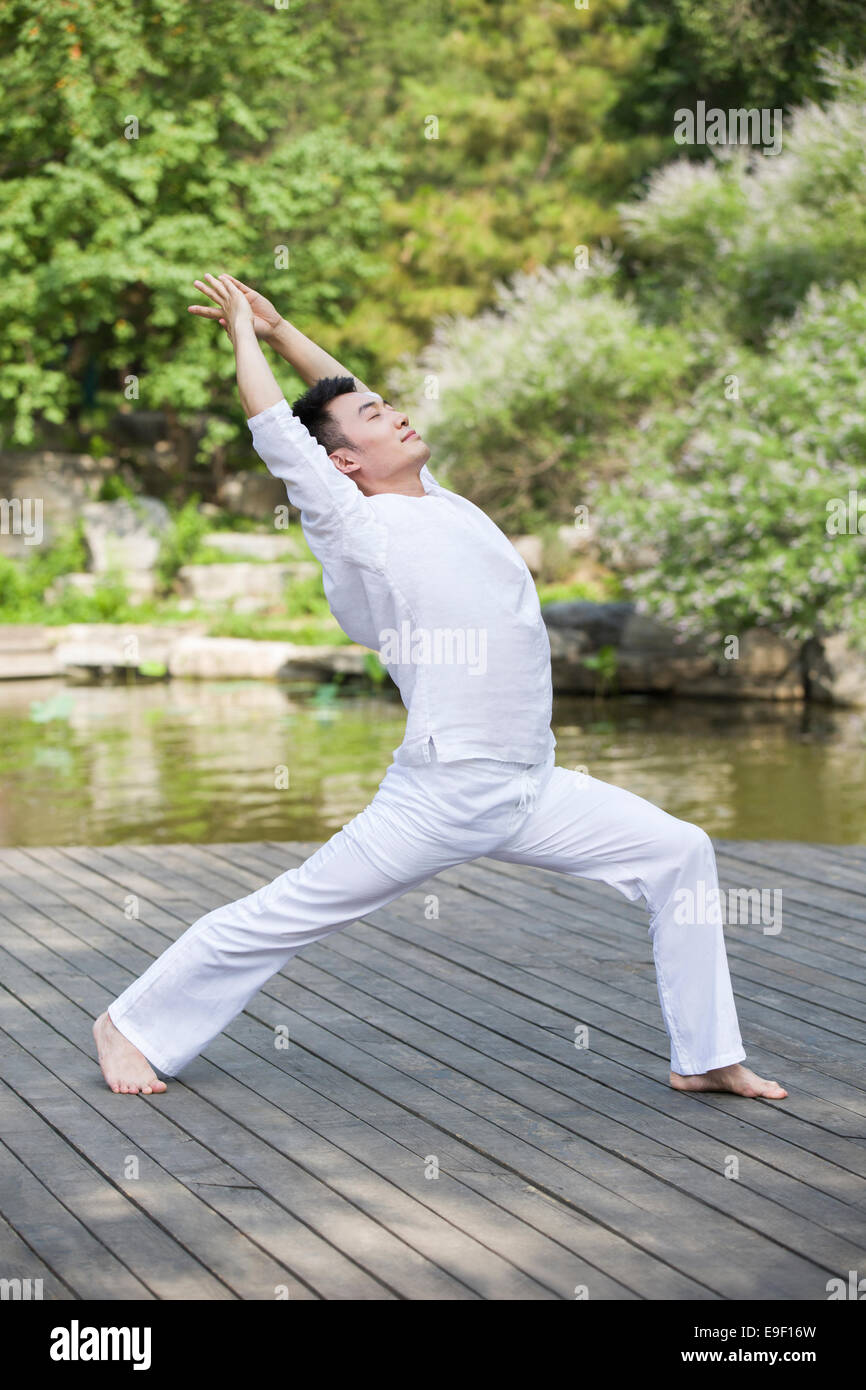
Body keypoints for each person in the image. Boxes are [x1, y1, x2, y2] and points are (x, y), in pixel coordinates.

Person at [93, 272, 787, 1102]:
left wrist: (285, 331)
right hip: (444, 789)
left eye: (390, 403)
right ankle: (129, 1026)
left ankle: (705, 1055)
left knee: (679, 850)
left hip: (530, 783)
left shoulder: (444, 504)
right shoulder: (356, 523)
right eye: (375, 418)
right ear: (345, 461)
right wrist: (245, 334)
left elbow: (340, 397)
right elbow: (283, 430)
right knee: (290, 911)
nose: (395, 412)